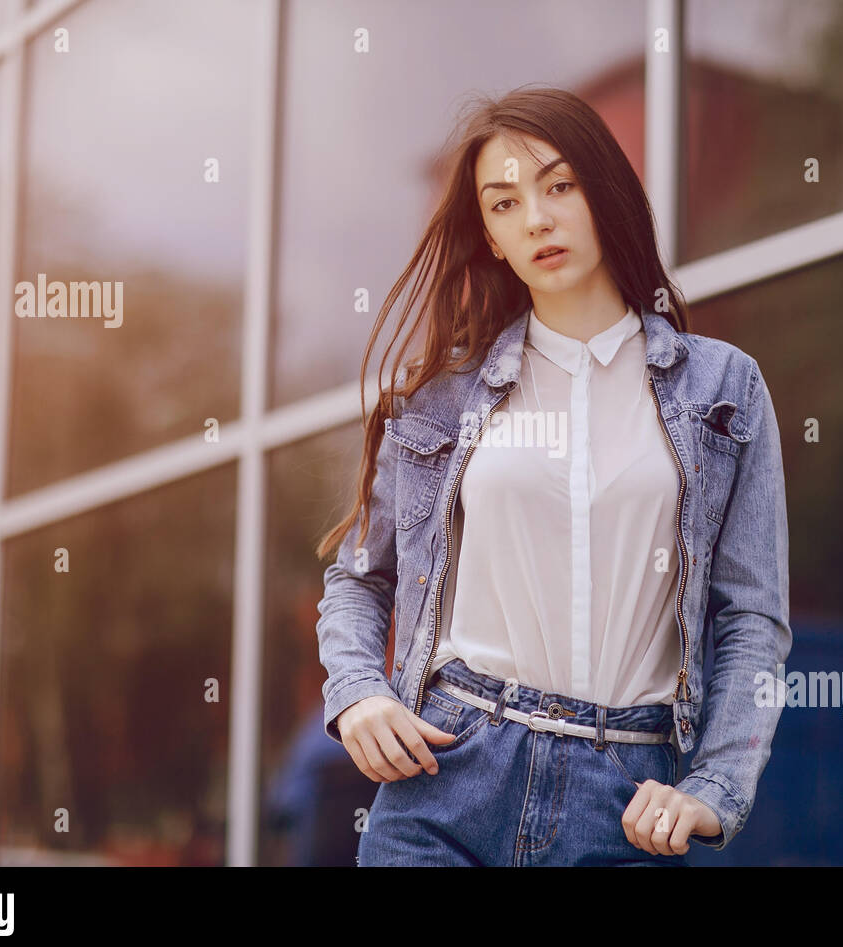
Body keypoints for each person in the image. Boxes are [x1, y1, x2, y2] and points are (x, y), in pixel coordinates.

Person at [314, 85, 791, 866]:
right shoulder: (442, 397)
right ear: (492, 241)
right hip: (447, 775)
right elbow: (360, 577)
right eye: (503, 205)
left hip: (625, 798)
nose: (535, 218)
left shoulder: (722, 390)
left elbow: (752, 619)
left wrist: (714, 787)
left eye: (559, 186)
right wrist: (359, 693)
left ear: (605, 193)